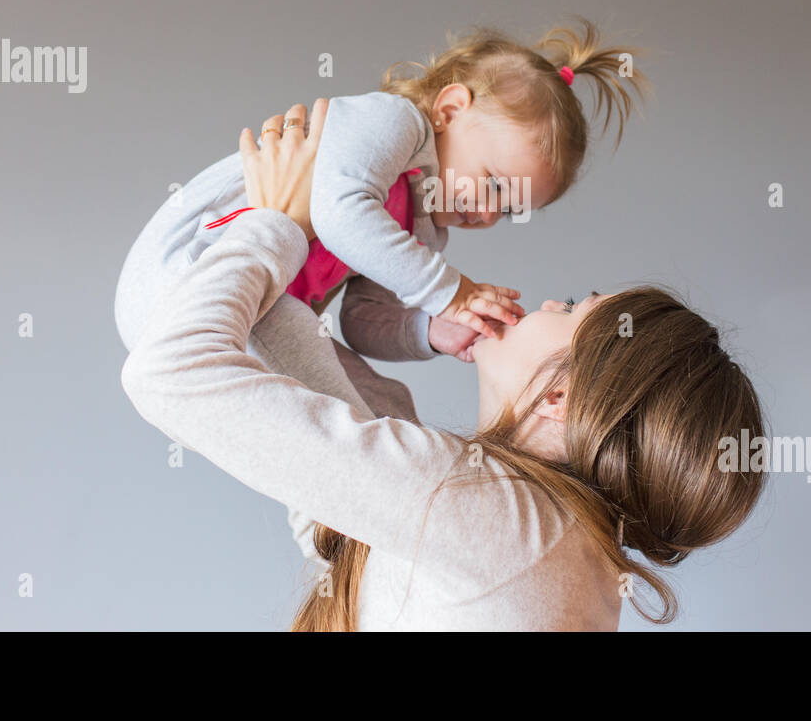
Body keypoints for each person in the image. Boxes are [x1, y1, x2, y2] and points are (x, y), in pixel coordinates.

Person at [119, 100, 767, 631]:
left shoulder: (497, 518)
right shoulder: (552, 546)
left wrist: (270, 223)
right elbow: (331, 513)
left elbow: (168, 372)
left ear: (561, 400)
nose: (547, 301)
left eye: (570, 309)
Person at [114, 17, 649, 365]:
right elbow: (336, 213)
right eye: (491, 184)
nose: (487, 212)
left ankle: (357, 527)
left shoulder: (422, 233)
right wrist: (452, 291)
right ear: (448, 109)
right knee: (332, 388)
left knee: (370, 401)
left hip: (253, 317)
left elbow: (360, 322)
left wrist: (430, 327)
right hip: (185, 273)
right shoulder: (393, 124)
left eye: (508, 210)